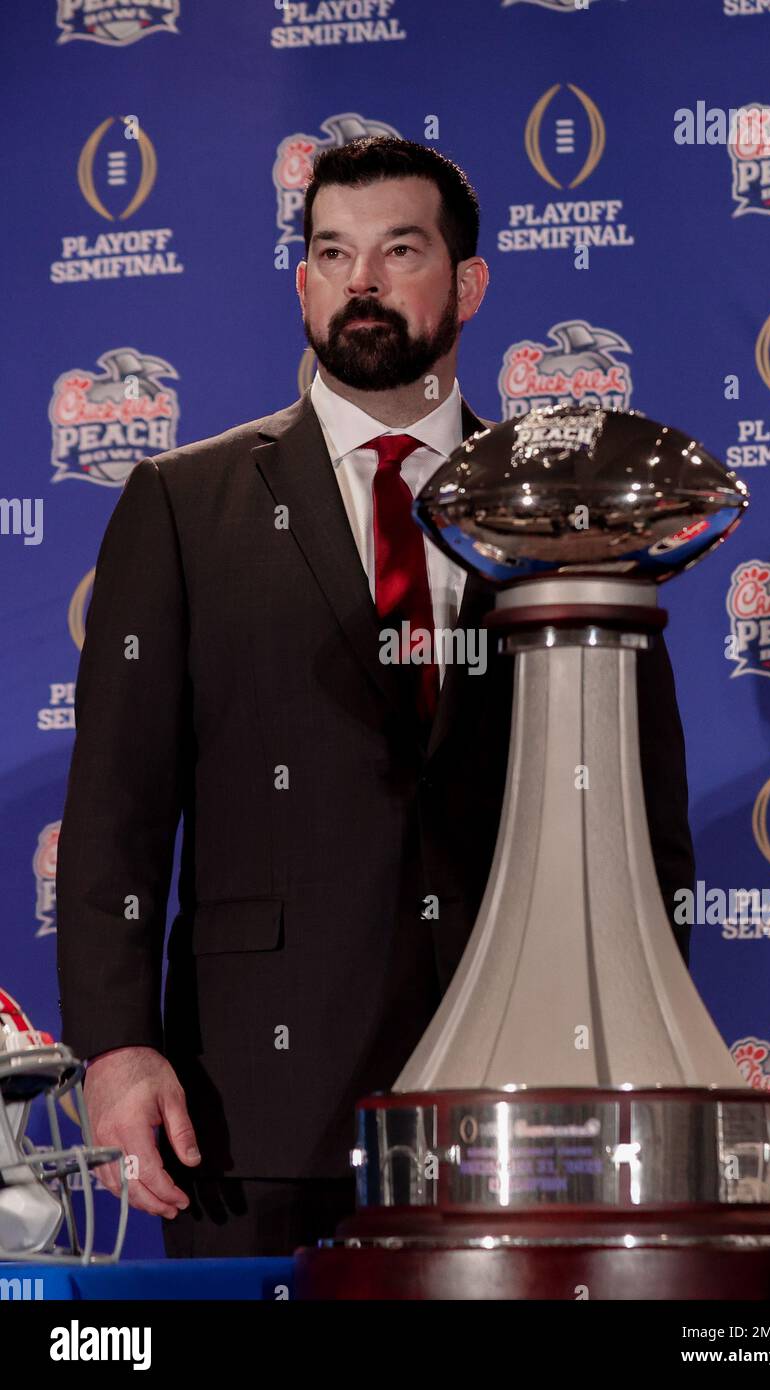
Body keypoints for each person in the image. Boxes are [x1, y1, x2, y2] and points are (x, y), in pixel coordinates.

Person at [55, 136, 695, 1258]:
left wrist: (638, 1051)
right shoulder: (182, 503)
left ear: (467, 282)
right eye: (330, 252)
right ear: (301, 280)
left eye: (398, 249)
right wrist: (117, 1048)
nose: (361, 281)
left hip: (528, 1094)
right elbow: (115, 809)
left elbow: (643, 816)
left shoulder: (569, 504)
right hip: (250, 1097)